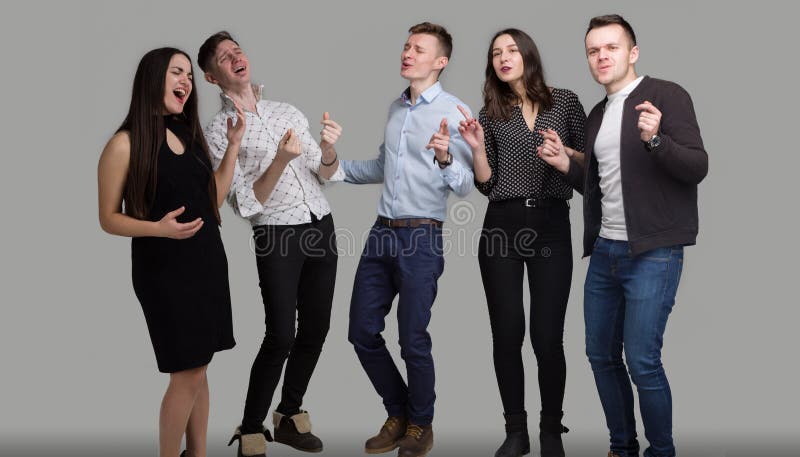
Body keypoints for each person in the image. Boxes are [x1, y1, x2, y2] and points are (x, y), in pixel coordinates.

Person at [537, 14, 708, 457]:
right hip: (605, 252)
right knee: (600, 355)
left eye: (611, 47)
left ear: (633, 52)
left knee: (643, 361)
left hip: (653, 251)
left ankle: (661, 452)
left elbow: (697, 166)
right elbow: (600, 187)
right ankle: (622, 447)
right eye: (593, 51)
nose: (601, 56)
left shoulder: (667, 96)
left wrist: (656, 140)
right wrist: (566, 165)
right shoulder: (597, 114)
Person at [197, 31, 344, 457]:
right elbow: (244, 204)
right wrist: (280, 160)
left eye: (237, 50)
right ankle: (250, 430)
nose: (235, 57)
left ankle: (290, 415)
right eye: (224, 58)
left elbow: (326, 173)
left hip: (320, 225)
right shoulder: (218, 131)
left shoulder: (286, 111)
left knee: (317, 329)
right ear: (212, 77)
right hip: (277, 233)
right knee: (281, 334)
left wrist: (328, 149)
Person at [97, 47, 245, 457]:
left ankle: (197, 453)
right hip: (164, 271)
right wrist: (157, 229)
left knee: (200, 366)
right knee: (187, 371)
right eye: (177, 72)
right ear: (153, 78)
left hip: (207, 263)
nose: (186, 82)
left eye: (190, 76)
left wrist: (233, 146)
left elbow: (213, 200)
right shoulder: (124, 144)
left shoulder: (188, 135)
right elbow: (108, 218)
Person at [340, 22, 474, 457]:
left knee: (412, 338)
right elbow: (383, 167)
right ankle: (399, 412)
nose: (408, 53)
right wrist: (331, 168)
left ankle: (420, 424)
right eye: (406, 46)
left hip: (422, 236)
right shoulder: (396, 109)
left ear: (440, 61)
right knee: (361, 331)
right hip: (381, 233)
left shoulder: (455, 111)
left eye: (418, 48)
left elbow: (465, 184)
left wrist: (445, 156)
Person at [457, 28, 586, 457]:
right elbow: (486, 183)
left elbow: (591, 166)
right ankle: (516, 432)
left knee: (547, 337)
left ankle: (551, 430)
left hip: (551, 223)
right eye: (496, 53)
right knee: (507, 333)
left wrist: (564, 156)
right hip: (502, 226)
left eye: (511, 49)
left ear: (528, 54)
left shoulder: (564, 102)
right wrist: (476, 148)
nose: (503, 57)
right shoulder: (490, 112)